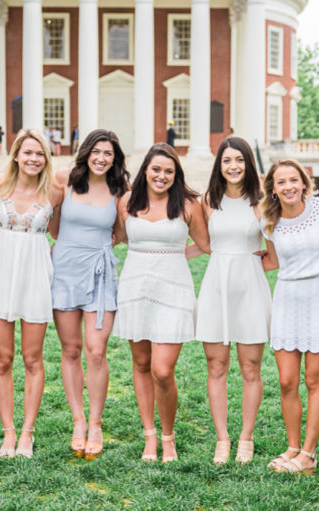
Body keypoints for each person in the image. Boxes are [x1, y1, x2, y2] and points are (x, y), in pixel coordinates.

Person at [113, 143, 210, 463]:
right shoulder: (127, 201)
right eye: (156, 169)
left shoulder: (187, 205)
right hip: (135, 287)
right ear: (145, 170)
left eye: (169, 171)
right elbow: (121, 237)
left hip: (173, 289)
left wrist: (174, 254)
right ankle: (150, 438)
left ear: (176, 175)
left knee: (163, 370)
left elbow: (205, 245)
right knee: (140, 365)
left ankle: (169, 437)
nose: (162, 176)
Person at [50, 129, 130, 461]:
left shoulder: (120, 190)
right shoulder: (64, 179)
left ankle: (96, 423)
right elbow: (53, 224)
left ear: (115, 159)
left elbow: (121, 233)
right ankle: (78, 421)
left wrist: (96, 248)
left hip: (100, 275)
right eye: (96, 151)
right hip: (64, 271)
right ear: (86, 152)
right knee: (71, 350)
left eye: (108, 153)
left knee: (96, 351)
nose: (101, 158)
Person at [0, 129, 63, 459]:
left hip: (35, 277)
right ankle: (8, 432)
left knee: (33, 359)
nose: (33, 159)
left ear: (46, 158)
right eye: (28, 152)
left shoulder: (55, 192)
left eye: (40, 153)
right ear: (16, 154)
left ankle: (28, 433)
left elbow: (60, 233)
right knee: (2, 359)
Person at [194, 137, 271, 465]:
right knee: (216, 366)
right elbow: (202, 243)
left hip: (251, 286)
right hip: (216, 285)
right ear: (219, 165)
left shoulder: (263, 201)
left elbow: (278, 248)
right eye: (227, 160)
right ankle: (223, 438)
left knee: (251, 367)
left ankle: (246, 438)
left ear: (248, 163)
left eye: (239, 160)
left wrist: (255, 264)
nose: (233, 166)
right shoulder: (208, 200)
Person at [258, 158, 319, 476]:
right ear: (273, 189)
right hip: (287, 298)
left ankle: (308, 454)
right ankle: (292, 447)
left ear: (304, 183)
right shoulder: (269, 221)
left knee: (314, 380)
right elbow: (272, 261)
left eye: (294, 180)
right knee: (287, 381)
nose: (288, 186)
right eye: (281, 182)